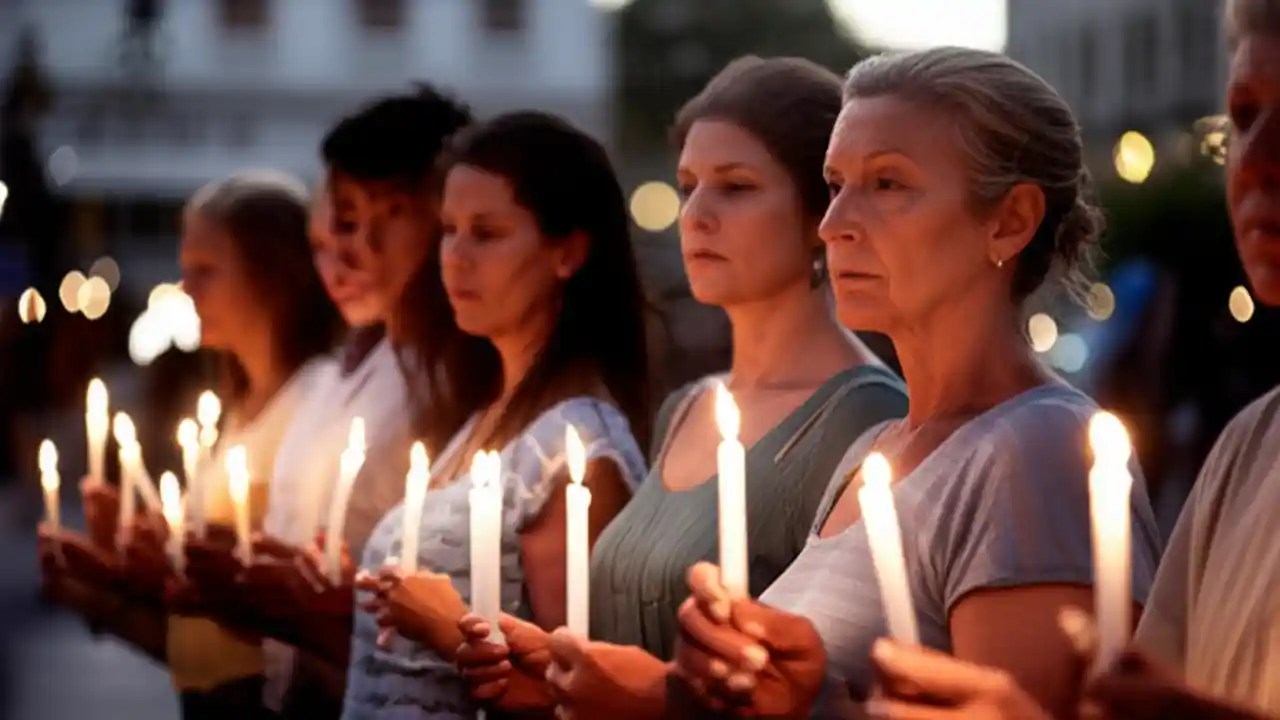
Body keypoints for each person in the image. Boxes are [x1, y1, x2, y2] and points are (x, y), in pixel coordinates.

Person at [659, 46, 1163, 720]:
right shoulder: (878, 450)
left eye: (888, 184)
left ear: (1010, 220)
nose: (833, 225)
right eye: (835, 185)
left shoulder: (1038, 453)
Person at [451, 55, 908, 718]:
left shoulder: (868, 418)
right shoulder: (689, 407)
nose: (695, 214)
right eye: (688, 184)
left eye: (736, 186)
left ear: (822, 209)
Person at [339, 111, 652, 719]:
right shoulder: (486, 415)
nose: (454, 257)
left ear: (568, 252)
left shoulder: (576, 446)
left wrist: (449, 628)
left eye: (486, 233)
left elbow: (574, 692)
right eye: (448, 230)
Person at [39, 170, 342, 719]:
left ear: (272, 278)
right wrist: (113, 590)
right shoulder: (239, 411)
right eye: (185, 270)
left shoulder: (317, 404)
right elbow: (207, 637)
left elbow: (277, 626)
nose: (185, 290)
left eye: (205, 272)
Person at [229, 87, 472, 719]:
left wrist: (321, 606)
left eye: (385, 215)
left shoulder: (456, 381)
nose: (352, 250)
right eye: (337, 227)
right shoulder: (346, 372)